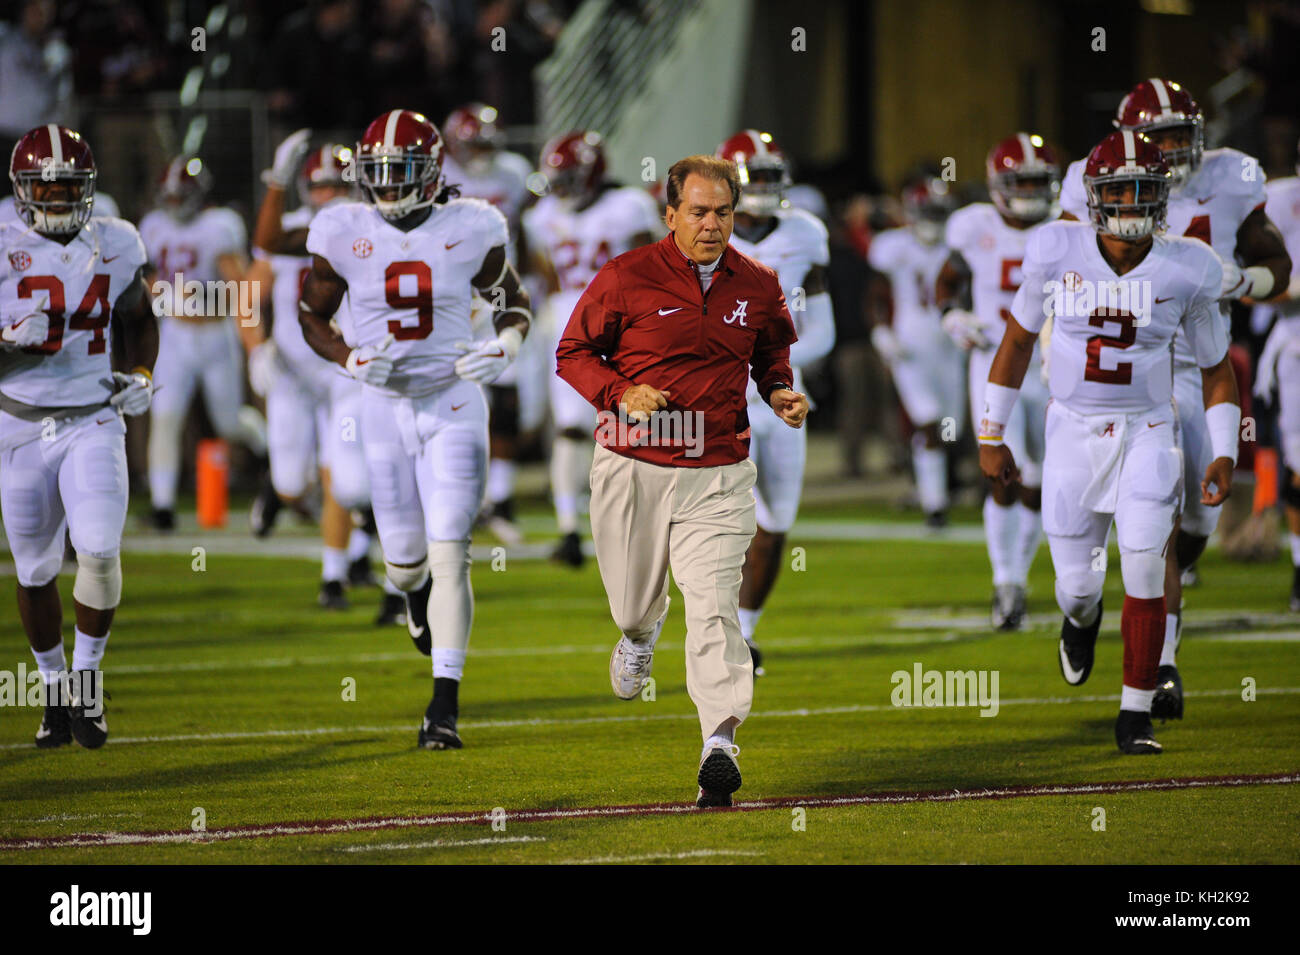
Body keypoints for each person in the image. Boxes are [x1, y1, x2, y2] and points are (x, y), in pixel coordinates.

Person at [556, 155, 805, 807]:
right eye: (698, 211)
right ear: (670, 214)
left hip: (718, 470)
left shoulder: (757, 282)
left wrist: (780, 392)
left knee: (717, 605)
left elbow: (772, 353)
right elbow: (573, 353)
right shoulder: (624, 275)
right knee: (632, 606)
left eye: (723, 211)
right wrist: (619, 390)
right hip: (633, 465)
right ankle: (640, 634)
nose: (713, 223)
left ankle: (718, 743)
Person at [982, 131, 1240, 755]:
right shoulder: (1054, 248)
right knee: (1077, 588)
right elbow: (1017, 342)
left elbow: (1215, 367)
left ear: (1162, 197)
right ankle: (1081, 622)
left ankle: (1135, 713)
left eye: (1142, 189)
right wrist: (991, 433)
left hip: (1150, 427)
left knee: (1148, 562)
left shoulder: (1190, 263)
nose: (1129, 201)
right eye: (1117, 189)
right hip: (1072, 431)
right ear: (1091, 197)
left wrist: (1226, 448)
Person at [298, 109, 531, 750]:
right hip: (381, 406)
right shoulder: (341, 230)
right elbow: (310, 314)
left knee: (451, 545)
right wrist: (347, 357)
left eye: (402, 174)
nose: (389, 188)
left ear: (431, 174)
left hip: (453, 398)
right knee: (404, 565)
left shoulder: (472, 224)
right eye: (379, 174)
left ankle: (443, 706)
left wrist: (507, 344)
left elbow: (511, 299)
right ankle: (411, 591)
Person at [1059, 79, 1291, 717]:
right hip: (1128, 370)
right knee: (1154, 520)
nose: (1168, 147)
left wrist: (1242, 278)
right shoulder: (1092, 175)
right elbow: (1060, 259)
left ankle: (1165, 603)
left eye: (1178, 135)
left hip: (1198, 360)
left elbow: (1278, 265)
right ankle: (1160, 665)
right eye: (1156, 135)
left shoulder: (1231, 178)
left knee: (1197, 521)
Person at [1, 124, 158, 749]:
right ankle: (52, 690)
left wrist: (144, 373)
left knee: (97, 548)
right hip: (16, 422)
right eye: (48, 190)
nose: (60, 202)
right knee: (36, 570)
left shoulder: (115, 240)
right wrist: (10, 341)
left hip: (93, 416)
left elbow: (142, 319)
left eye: (70, 190)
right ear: (22, 190)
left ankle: (86, 686)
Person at [244, 130, 398, 621]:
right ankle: (280, 491)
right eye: (318, 186)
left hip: (343, 369)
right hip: (292, 371)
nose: (327, 195)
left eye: (337, 185)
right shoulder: (293, 228)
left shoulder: (368, 228)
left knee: (346, 480)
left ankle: (337, 572)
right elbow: (251, 290)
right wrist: (257, 350)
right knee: (294, 484)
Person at [716, 130, 835, 675]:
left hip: (780, 400)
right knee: (709, 518)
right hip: (716, 400)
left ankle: (744, 634)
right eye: (753, 176)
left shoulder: (805, 234)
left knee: (776, 520)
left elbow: (823, 330)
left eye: (769, 175)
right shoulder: (703, 230)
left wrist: (773, 370)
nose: (763, 186)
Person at [937, 134, 1061, 629]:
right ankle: (1006, 581)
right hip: (994, 363)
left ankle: (1017, 579)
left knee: (1040, 478)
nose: (1030, 192)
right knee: (1005, 471)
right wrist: (951, 315)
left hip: (1052, 366)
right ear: (997, 185)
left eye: (1037, 182)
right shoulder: (973, 227)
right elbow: (948, 281)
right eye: (1021, 182)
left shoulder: (1068, 227)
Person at [523, 130, 662, 567]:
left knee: (633, 424)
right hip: (575, 320)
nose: (562, 189)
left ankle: (627, 523)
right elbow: (542, 271)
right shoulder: (544, 214)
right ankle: (569, 528)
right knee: (573, 427)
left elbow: (652, 263)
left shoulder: (626, 206)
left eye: (569, 178)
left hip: (619, 320)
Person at [139, 156, 268, 531]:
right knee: (165, 417)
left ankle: (269, 454)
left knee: (229, 423)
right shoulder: (152, 225)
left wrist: (204, 301)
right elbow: (144, 278)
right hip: (174, 335)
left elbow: (240, 285)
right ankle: (163, 506)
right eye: (171, 197)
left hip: (215, 332)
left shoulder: (219, 226)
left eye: (182, 196)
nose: (175, 204)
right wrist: (168, 300)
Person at [441, 103, 539, 544]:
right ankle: (456, 494)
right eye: (472, 144)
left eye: (485, 144)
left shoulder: (514, 171)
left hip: (501, 289)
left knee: (506, 398)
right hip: (450, 295)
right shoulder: (436, 171)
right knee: (451, 394)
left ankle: (499, 499)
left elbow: (528, 224)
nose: (480, 154)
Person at [869, 174, 964, 528]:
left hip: (952, 347)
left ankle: (944, 490)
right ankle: (934, 505)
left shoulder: (957, 246)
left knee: (952, 427)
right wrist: (881, 330)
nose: (932, 220)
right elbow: (877, 292)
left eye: (938, 212)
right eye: (928, 212)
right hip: (910, 347)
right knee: (927, 422)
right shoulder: (894, 246)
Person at [1251, 136, 1300, 612]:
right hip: (1295, 347)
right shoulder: (1278, 201)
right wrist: (1289, 291)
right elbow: (1244, 285)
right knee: (1299, 465)